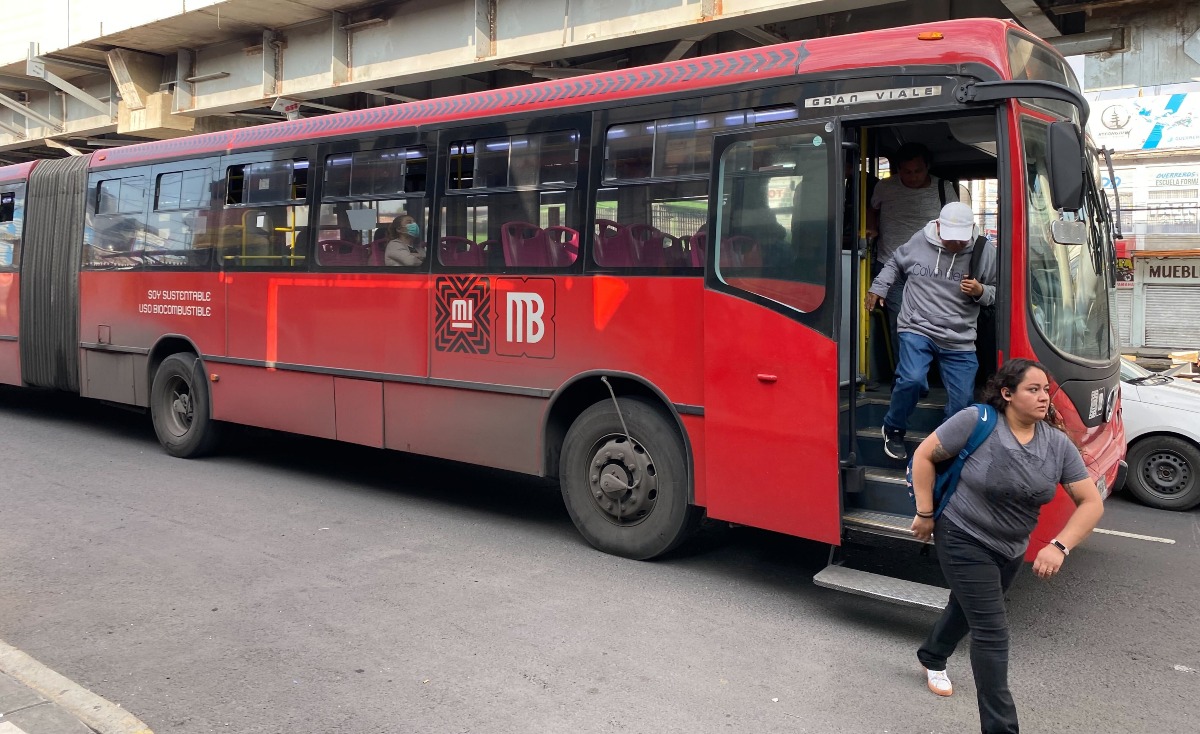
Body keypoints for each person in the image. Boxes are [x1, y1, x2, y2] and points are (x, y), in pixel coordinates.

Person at [909, 358, 1104, 734]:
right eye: (1033, 389)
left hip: (1010, 547)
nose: (1044, 397)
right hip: (962, 534)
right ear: (1007, 394)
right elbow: (924, 456)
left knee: (967, 609)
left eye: (1046, 389)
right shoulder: (977, 422)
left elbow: (1091, 502)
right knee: (992, 630)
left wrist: (1059, 546)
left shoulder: (1057, 446)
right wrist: (925, 511)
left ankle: (932, 655)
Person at [866, 201, 995, 461]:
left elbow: (996, 292)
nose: (956, 245)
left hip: (959, 336)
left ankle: (943, 446)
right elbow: (894, 263)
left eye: (961, 239)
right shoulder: (919, 241)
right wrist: (879, 286)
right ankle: (893, 427)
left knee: (962, 402)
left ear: (971, 229)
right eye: (950, 239)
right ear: (938, 227)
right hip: (917, 325)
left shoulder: (984, 250)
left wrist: (981, 291)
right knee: (912, 379)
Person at [866, 144, 959, 344]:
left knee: (933, 323)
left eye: (918, 171)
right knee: (901, 323)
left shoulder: (944, 188)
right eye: (907, 172)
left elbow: (956, 223)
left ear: (928, 167)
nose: (913, 176)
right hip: (891, 266)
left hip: (932, 268)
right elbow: (872, 210)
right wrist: (871, 229)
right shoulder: (884, 187)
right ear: (898, 169)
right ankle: (906, 374)